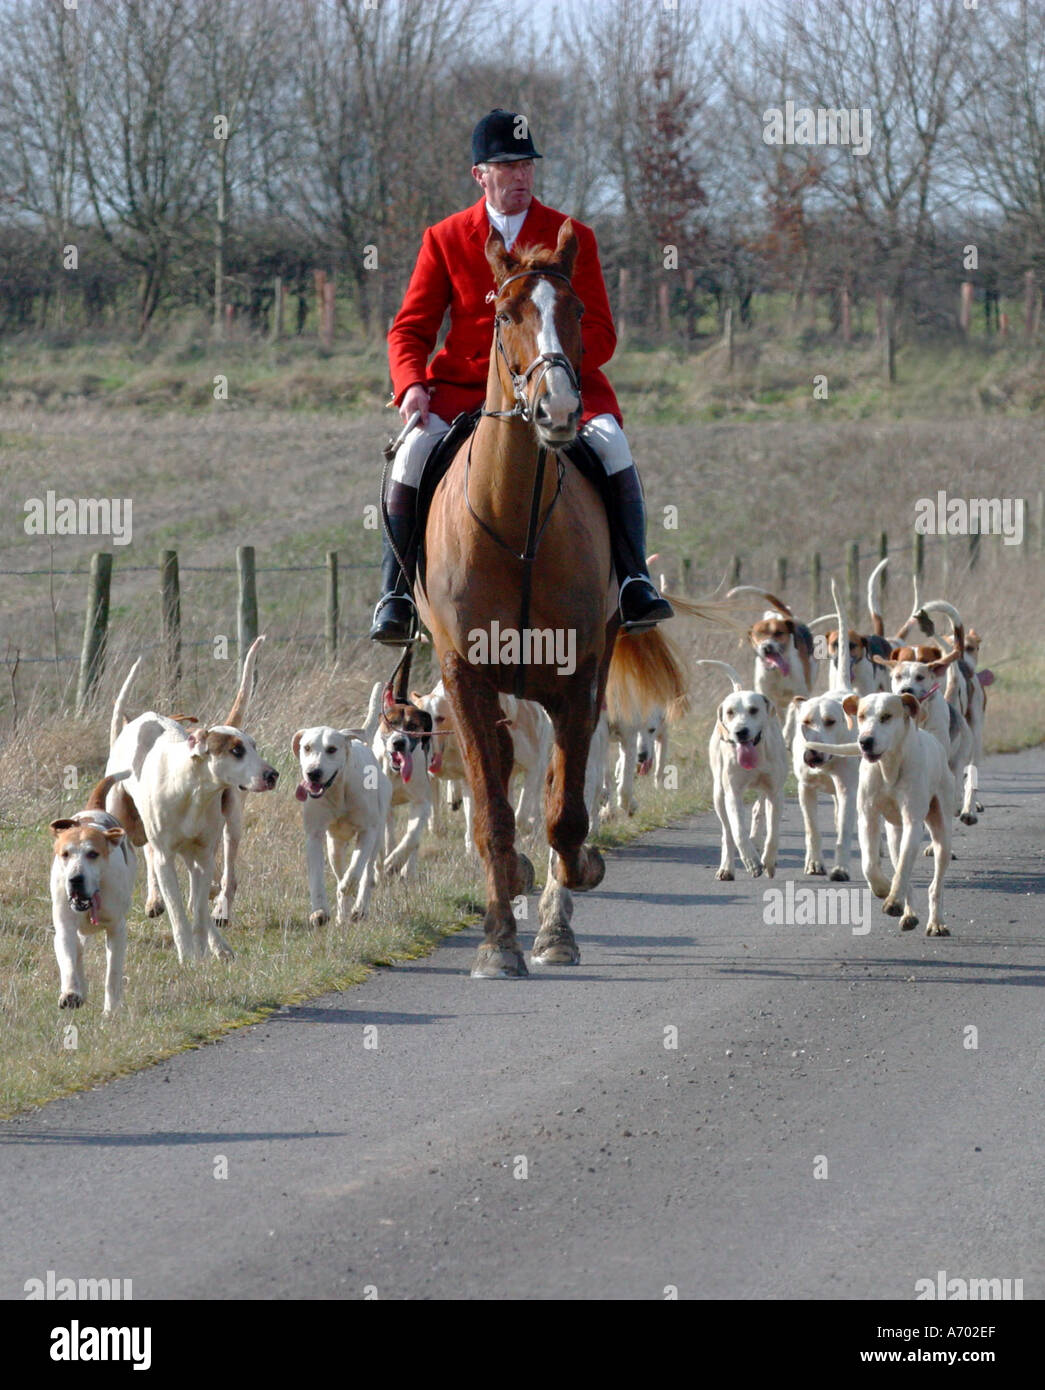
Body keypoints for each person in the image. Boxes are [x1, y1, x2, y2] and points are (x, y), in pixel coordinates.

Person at [371, 107, 674, 644]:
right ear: (480, 174)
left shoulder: (571, 235)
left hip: (556, 387)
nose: (521, 176)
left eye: (527, 164)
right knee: (413, 454)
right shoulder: (444, 239)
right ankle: (395, 595)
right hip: (465, 392)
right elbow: (410, 328)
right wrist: (412, 383)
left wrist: (551, 360)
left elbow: (601, 330)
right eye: (507, 165)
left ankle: (632, 581)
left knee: (612, 444)